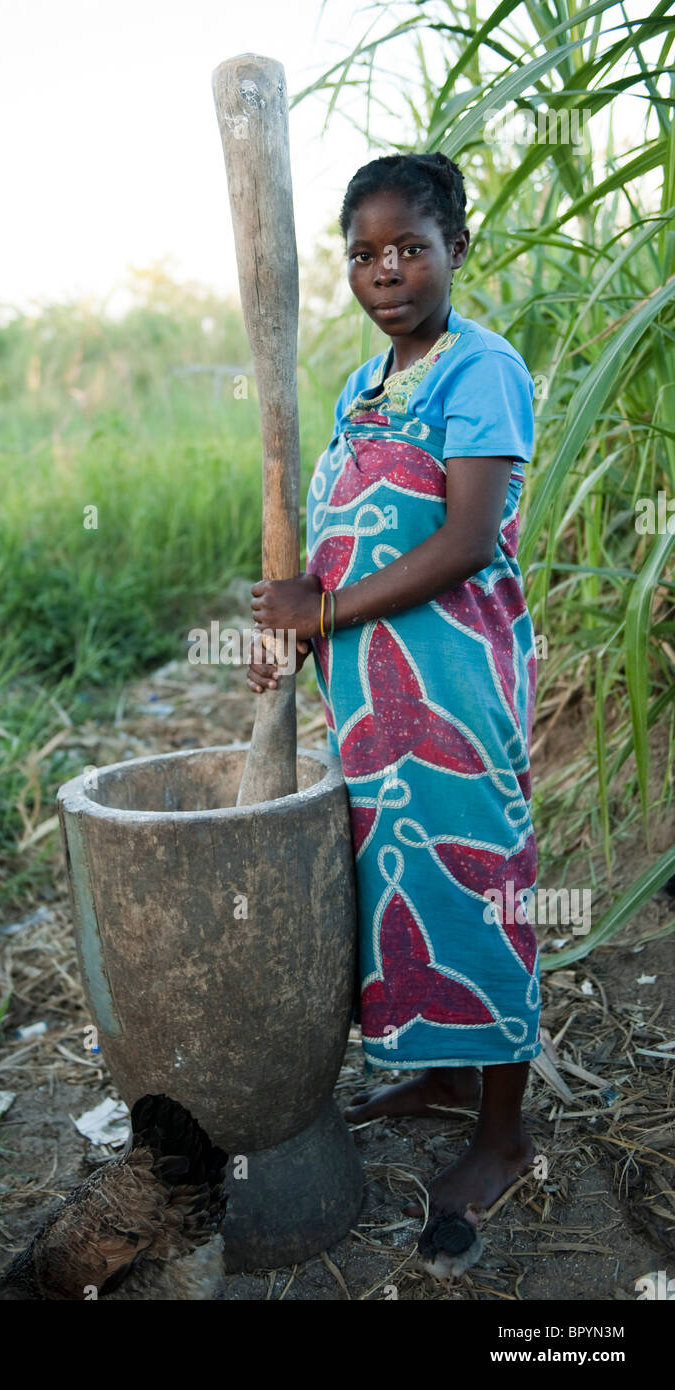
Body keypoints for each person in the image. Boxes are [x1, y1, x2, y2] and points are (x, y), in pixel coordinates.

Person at [245, 151, 540, 1274]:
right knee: (399, 882)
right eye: (364, 253)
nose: (387, 270)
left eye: (410, 246)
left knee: (477, 879)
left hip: (455, 693)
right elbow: (338, 532)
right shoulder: (363, 386)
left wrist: (316, 608)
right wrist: (294, 629)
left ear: (455, 248)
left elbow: (463, 543)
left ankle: (502, 1133)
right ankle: (439, 1068)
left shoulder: (483, 369)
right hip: (376, 700)